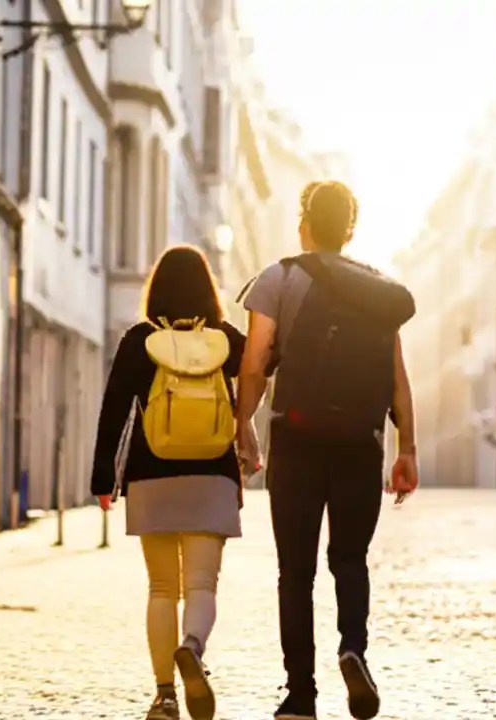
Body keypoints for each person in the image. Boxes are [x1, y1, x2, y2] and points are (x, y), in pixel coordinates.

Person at [235, 181, 419, 720]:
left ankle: (301, 695)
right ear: (350, 231)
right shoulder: (377, 289)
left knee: (295, 572)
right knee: (350, 560)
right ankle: (353, 649)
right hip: (361, 442)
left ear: (304, 226)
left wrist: (243, 426)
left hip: (296, 440)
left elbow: (254, 363)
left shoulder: (279, 278)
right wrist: (406, 449)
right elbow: (397, 378)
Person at [90, 245, 247, 720]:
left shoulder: (140, 340)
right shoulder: (224, 340)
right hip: (213, 474)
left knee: (162, 588)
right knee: (202, 584)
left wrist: (103, 477)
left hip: (151, 473)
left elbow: (114, 409)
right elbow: (266, 362)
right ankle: (192, 648)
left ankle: (164, 696)